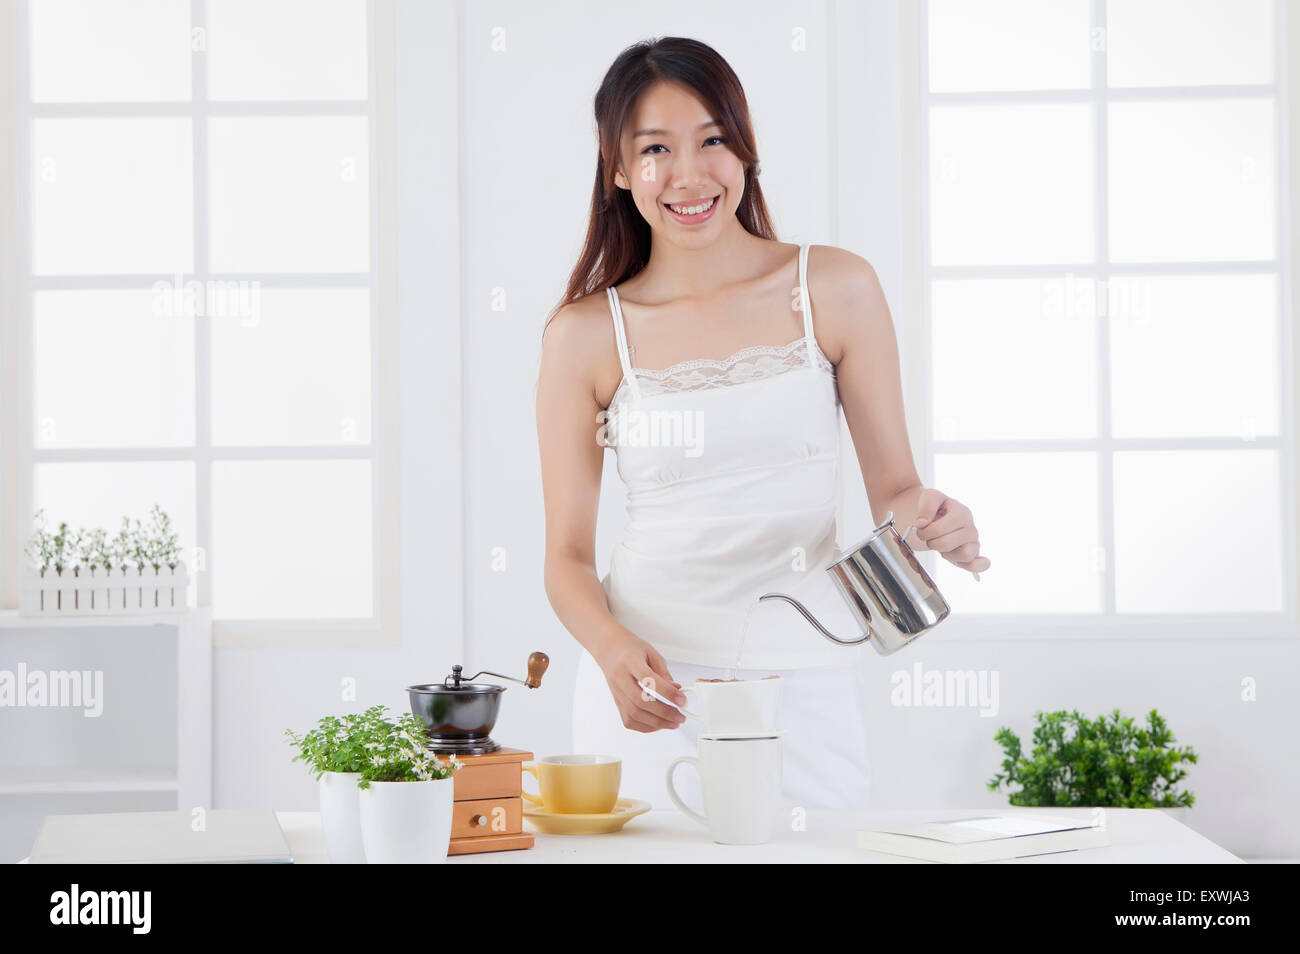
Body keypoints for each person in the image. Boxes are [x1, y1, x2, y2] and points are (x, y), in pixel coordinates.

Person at [535, 37, 990, 812]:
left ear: (745, 151)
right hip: (655, 698)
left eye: (713, 139)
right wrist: (613, 653)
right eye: (655, 149)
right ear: (616, 168)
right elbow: (567, 558)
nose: (690, 174)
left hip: (804, 690)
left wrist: (936, 519)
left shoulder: (835, 287)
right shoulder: (586, 334)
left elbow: (898, 490)